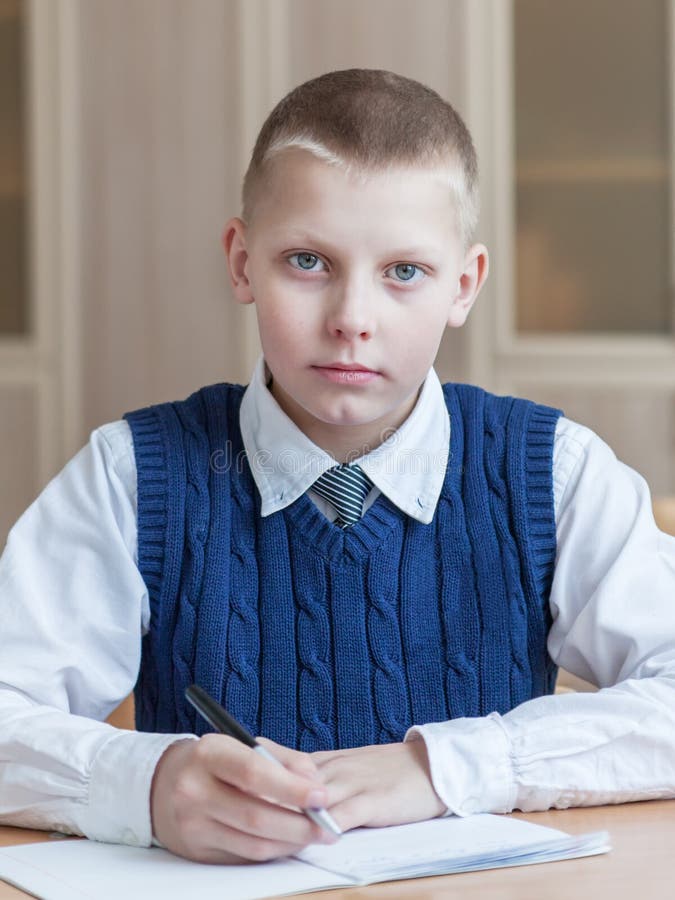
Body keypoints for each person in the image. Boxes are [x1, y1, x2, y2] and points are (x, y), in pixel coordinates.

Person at [1, 67, 674, 866]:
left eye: (404, 273)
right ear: (242, 263)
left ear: (463, 285)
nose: (352, 320)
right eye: (307, 262)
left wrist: (442, 767)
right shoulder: (132, 477)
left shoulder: (551, 471)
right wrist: (149, 783)